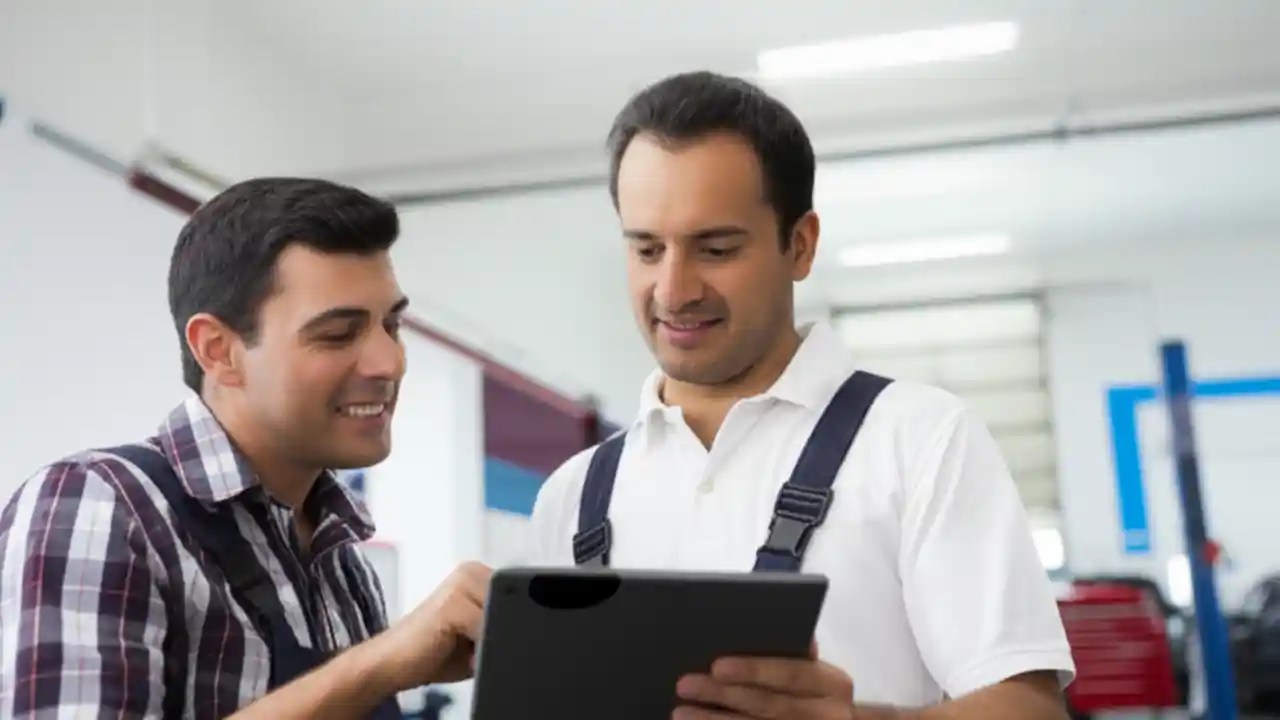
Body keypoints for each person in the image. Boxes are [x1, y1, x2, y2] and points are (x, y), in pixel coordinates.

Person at [527, 71, 1077, 718]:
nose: (673, 290)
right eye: (647, 249)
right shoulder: (572, 496)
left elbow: (1029, 708)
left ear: (800, 245)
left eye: (717, 248)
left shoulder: (920, 440)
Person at [0, 178, 489, 719]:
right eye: (337, 334)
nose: (389, 362)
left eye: (390, 324)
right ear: (219, 350)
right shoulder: (101, 507)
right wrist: (376, 666)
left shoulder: (344, 570)